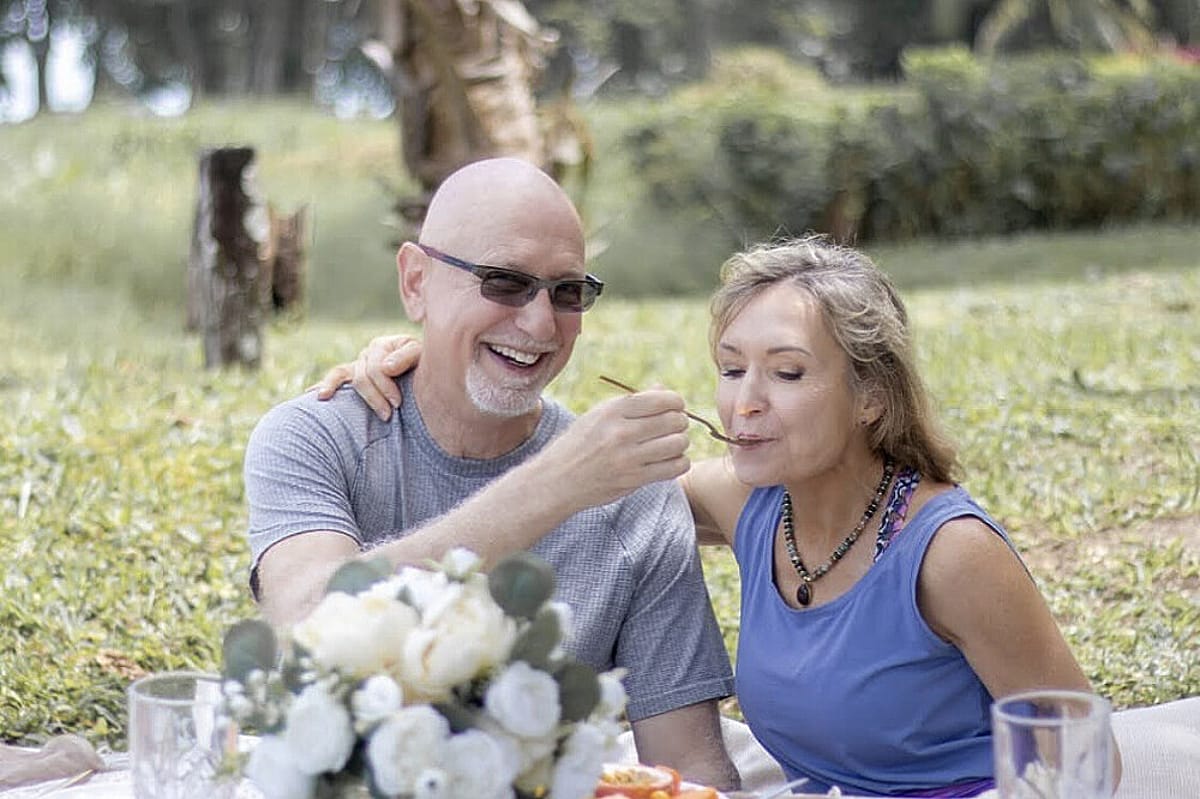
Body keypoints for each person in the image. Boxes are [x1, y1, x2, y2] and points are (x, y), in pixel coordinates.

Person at [316, 236, 1124, 797]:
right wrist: (429, 368)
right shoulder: (748, 503)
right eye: (732, 370)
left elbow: (1086, 761)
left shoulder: (950, 553)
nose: (746, 403)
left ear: (872, 397)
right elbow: (568, 482)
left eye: (787, 373)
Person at [243, 157, 741, 791]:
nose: (539, 324)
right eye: (504, 282)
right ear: (416, 282)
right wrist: (554, 486)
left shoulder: (635, 497)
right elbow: (301, 629)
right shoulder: (318, 437)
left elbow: (692, 770)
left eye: (567, 292)